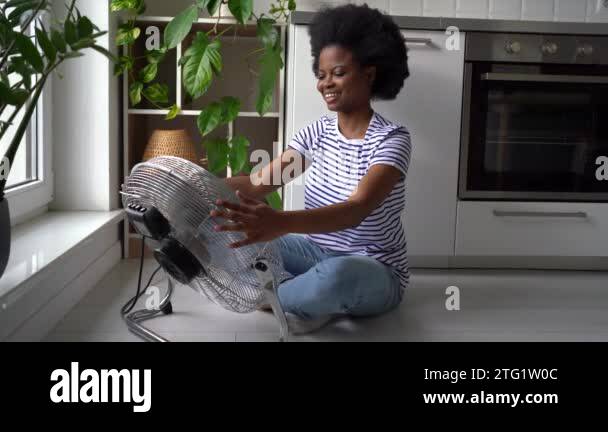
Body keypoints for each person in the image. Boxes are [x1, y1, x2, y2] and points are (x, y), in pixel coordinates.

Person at [212, 3, 411, 335]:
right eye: (321, 75)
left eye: (338, 72)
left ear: (369, 73)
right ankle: (304, 299)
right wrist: (198, 186)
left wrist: (279, 222)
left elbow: (356, 210)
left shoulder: (392, 140)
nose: (325, 84)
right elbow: (261, 182)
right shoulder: (315, 133)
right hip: (314, 251)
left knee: (336, 278)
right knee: (232, 236)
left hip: (374, 268)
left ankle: (283, 294)